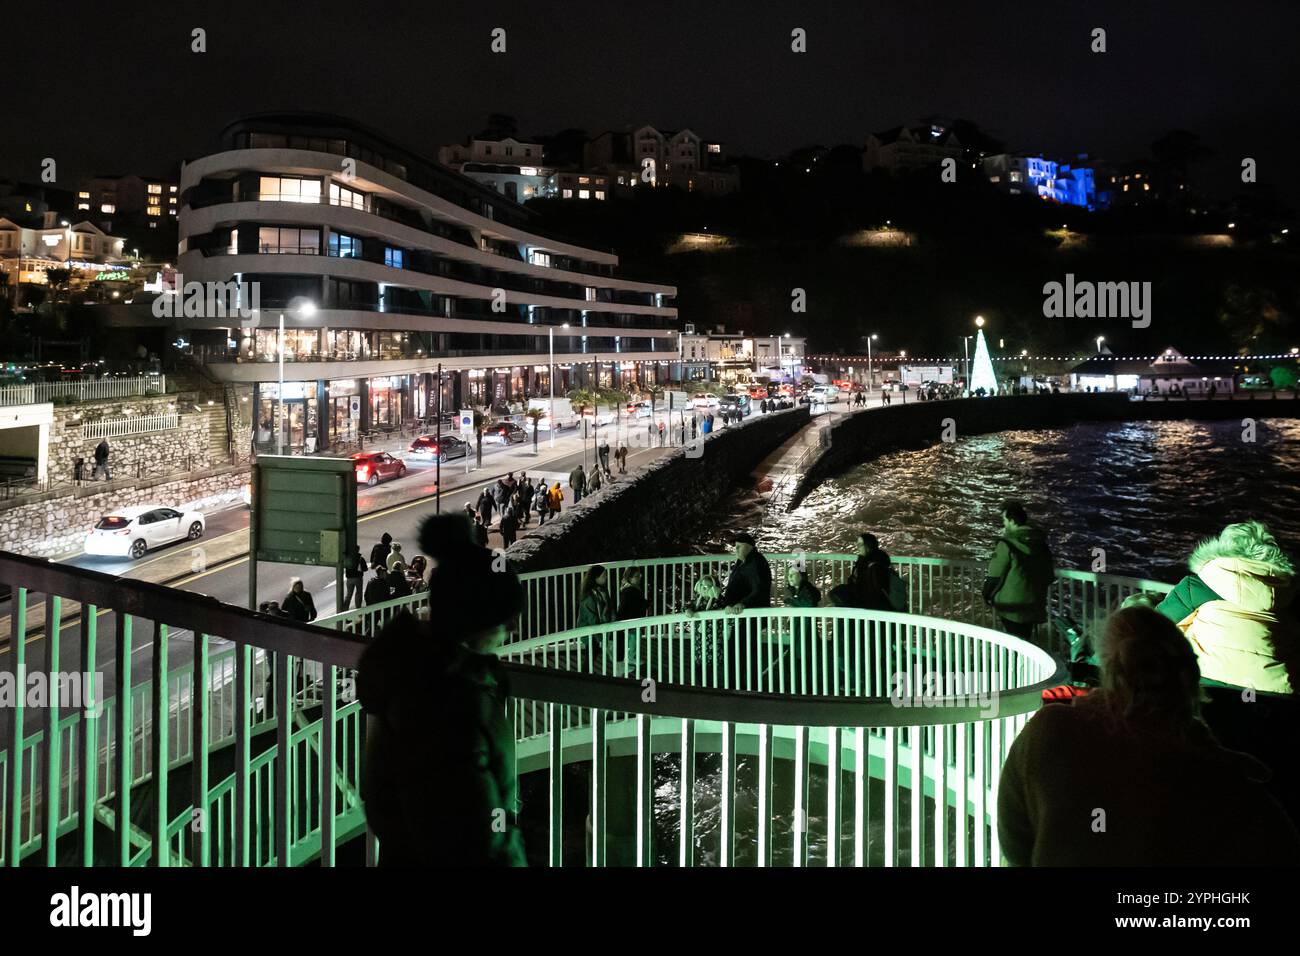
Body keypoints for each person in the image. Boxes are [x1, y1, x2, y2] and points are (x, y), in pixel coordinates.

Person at [997, 606, 1300, 866]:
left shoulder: (1051, 732)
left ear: (1107, 666)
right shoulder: (1231, 782)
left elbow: (1015, 845)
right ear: (1188, 676)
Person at [358, 513, 527, 866]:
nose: (509, 631)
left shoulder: (403, 670)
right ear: (476, 621)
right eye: (504, 620)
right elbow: (478, 835)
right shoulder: (457, 704)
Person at [1155, 521, 1297, 694]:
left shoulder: (1197, 587)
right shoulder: (1287, 594)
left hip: (1208, 681)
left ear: (1221, 549)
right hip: (1273, 689)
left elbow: (1153, 625)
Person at [982, 500, 1055, 644]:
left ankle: (1014, 666)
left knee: (1013, 644)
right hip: (1035, 604)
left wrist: (986, 595)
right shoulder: (1041, 544)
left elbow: (994, 576)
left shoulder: (1007, 544)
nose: (1004, 524)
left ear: (1011, 520)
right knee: (1026, 642)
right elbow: (1049, 576)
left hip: (1012, 608)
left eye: (1004, 520)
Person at [721, 532, 772, 613]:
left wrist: (743, 603)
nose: (736, 550)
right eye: (736, 547)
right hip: (735, 610)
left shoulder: (757, 562)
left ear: (749, 547)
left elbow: (760, 589)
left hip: (751, 613)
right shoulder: (741, 561)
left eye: (739, 547)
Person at [842, 532, 893, 610]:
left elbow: (874, 590)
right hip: (864, 603)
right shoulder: (863, 561)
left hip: (871, 607)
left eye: (860, 545)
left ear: (869, 545)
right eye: (857, 544)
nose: (858, 547)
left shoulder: (875, 565)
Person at [575, 564, 613, 628]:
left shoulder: (603, 591)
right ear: (595, 578)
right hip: (588, 633)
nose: (606, 577)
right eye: (603, 576)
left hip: (602, 629)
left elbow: (610, 609)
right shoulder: (588, 596)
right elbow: (592, 620)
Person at [343, 545, 368, 611]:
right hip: (358, 578)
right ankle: (358, 610)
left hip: (349, 579)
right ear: (358, 550)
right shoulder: (360, 558)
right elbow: (365, 569)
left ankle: (344, 612)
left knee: (348, 595)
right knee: (358, 593)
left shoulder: (348, 558)